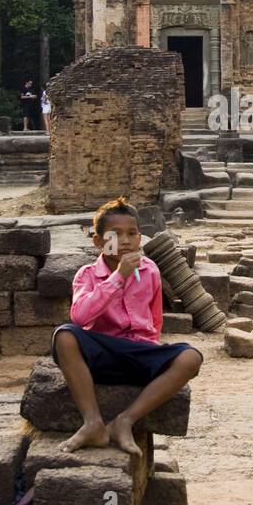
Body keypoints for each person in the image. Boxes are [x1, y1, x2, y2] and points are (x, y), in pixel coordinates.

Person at [51, 196, 203, 457]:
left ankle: (125, 420)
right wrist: (117, 277)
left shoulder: (150, 270)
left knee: (191, 357)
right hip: (104, 354)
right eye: (115, 235)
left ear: (140, 238)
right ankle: (93, 423)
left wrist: (152, 355)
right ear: (98, 242)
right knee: (64, 335)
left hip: (139, 353)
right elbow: (80, 317)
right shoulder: (87, 274)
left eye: (132, 233)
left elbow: (154, 321)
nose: (125, 241)